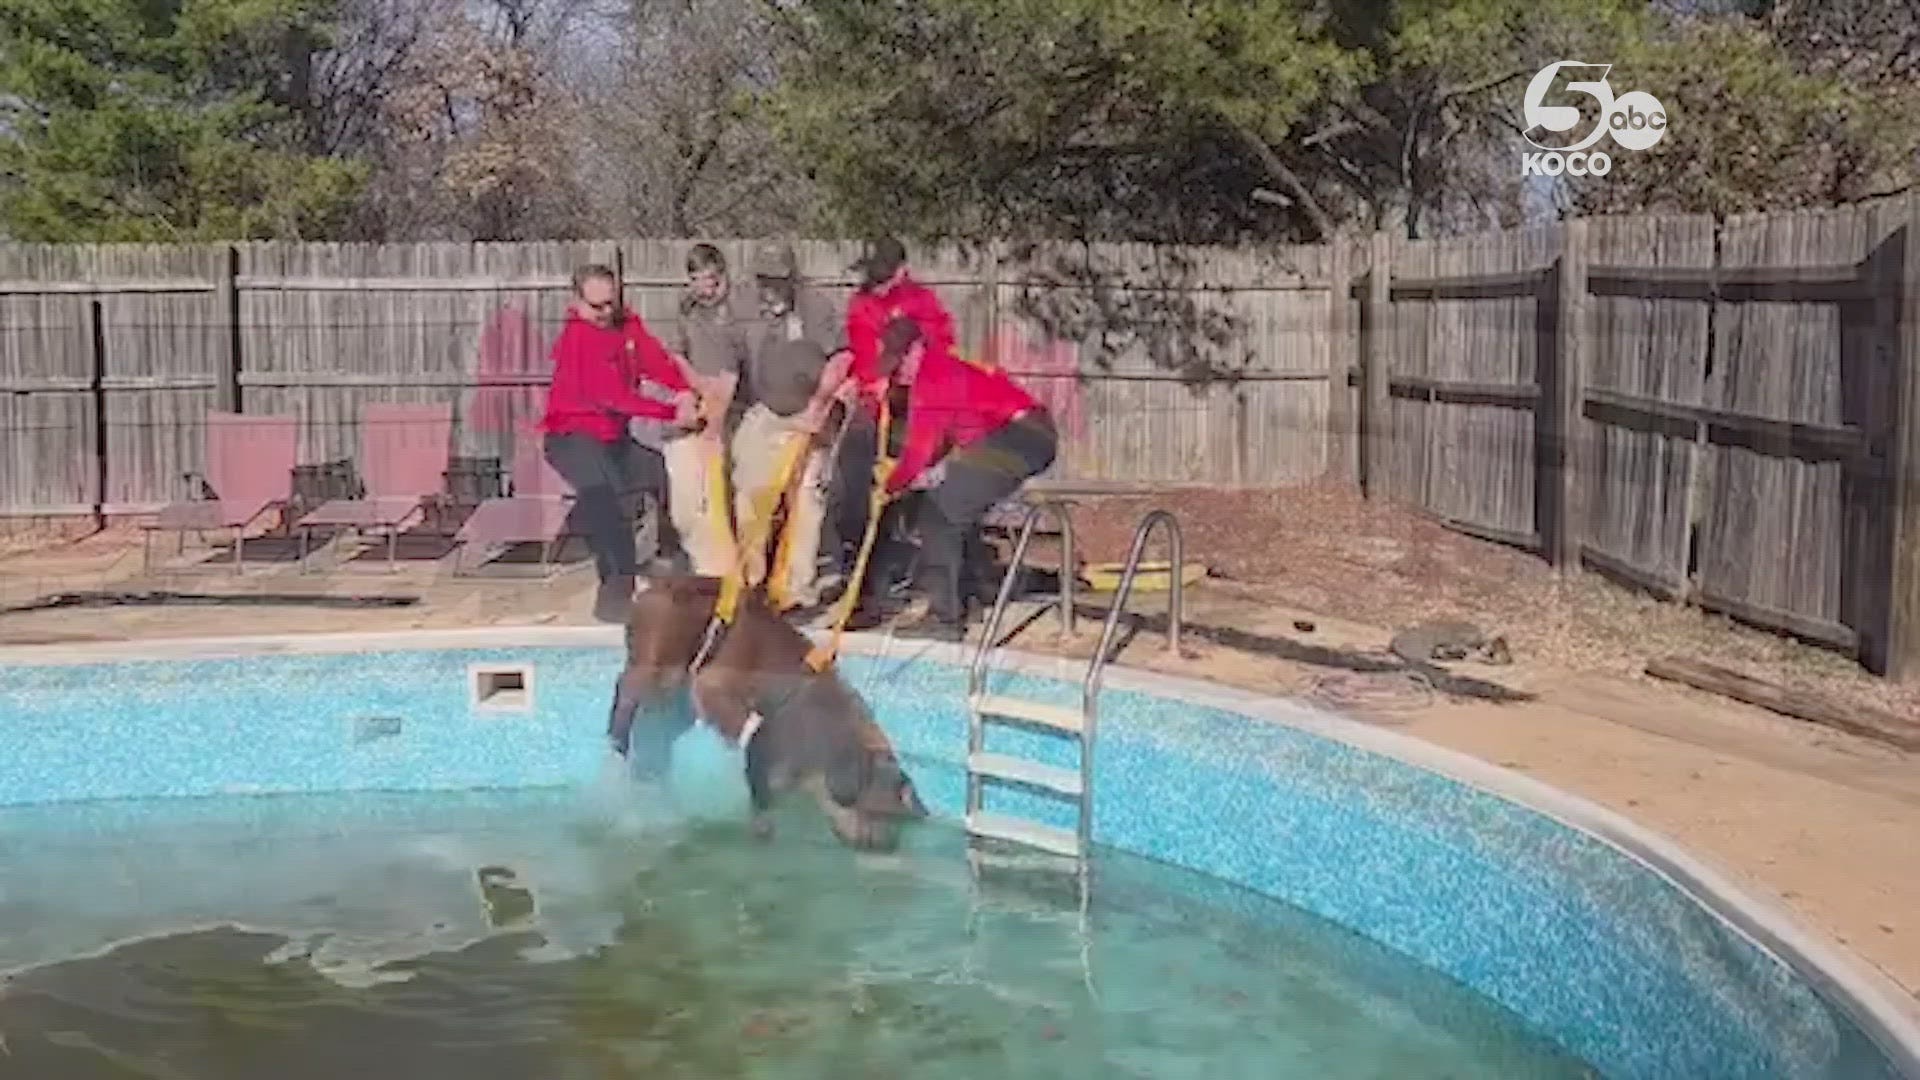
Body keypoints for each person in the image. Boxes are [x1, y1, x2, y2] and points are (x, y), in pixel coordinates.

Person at [873, 317, 1058, 641]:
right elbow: (939, 443)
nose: (897, 370)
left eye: (900, 360)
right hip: (1010, 435)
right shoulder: (935, 374)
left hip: (1021, 435)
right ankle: (969, 595)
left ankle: (944, 618)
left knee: (940, 513)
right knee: (953, 502)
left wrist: (888, 487)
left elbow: (921, 450)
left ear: (917, 348)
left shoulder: (934, 377)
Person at [541, 264, 699, 623]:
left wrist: (683, 391)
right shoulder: (577, 338)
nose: (603, 313)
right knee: (606, 502)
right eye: (595, 306)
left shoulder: (627, 324)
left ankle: (672, 557)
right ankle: (614, 594)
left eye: (609, 303)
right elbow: (612, 397)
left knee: (659, 472)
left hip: (614, 438)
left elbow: (655, 361)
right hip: (572, 437)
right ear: (577, 301)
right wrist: (669, 412)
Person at [821, 236, 962, 603]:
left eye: (885, 275)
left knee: (904, 488)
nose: (878, 283)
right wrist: (855, 382)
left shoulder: (922, 304)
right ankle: (859, 574)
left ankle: (900, 585)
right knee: (848, 486)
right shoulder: (861, 302)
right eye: (873, 274)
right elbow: (856, 353)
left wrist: (904, 382)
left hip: (916, 409)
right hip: (873, 408)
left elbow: (938, 362)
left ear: (902, 271)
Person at [728, 242, 849, 609]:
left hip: (808, 414)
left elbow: (842, 357)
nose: (770, 286)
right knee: (749, 493)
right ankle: (751, 580)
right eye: (763, 278)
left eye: (777, 279)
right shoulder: (747, 309)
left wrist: (819, 405)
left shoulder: (816, 309)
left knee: (806, 502)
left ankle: (798, 589)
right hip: (765, 411)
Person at [667, 243, 758, 576]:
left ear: (722, 275)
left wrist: (717, 410)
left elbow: (736, 369)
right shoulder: (686, 308)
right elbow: (677, 354)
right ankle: (711, 565)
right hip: (702, 401)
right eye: (696, 279)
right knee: (698, 492)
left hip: (739, 404)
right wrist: (697, 386)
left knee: (744, 486)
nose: (704, 287)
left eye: (710, 279)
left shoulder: (739, 310)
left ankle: (749, 566)